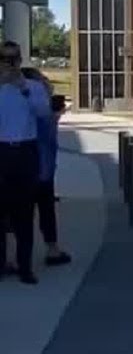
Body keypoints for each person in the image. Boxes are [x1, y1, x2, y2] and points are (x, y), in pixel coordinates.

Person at [0, 41, 47, 283]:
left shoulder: (33, 87)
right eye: (4, 59)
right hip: (1, 151)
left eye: (13, 59)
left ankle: (25, 266)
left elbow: (43, 113)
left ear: (20, 60)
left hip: (25, 152)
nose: (9, 63)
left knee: (25, 213)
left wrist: (23, 89)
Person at [25, 66, 70, 267]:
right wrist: (56, 115)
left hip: (29, 164)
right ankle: (51, 248)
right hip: (40, 166)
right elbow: (46, 132)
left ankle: (21, 255)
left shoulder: (24, 104)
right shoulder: (40, 109)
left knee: (23, 210)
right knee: (44, 208)